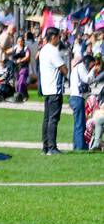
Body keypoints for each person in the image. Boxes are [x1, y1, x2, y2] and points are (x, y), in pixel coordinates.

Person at [38, 27, 67, 155]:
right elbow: (64, 69)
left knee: (47, 119)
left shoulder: (43, 50)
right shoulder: (53, 51)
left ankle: (45, 146)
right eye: (58, 37)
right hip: (55, 89)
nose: (59, 39)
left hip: (46, 88)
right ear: (53, 37)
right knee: (53, 119)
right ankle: (52, 147)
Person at [69, 54, 101, 152]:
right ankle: (80, 147)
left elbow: (87, 81)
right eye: (91, 64)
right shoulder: (81, 67)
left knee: (78, 123)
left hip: (75, 98)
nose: (91, 66)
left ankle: (77, 146)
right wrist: (93, 71)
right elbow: (86, 79)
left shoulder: (77, 68)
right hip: (77, 98)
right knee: (80, 124)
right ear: (87, 62)